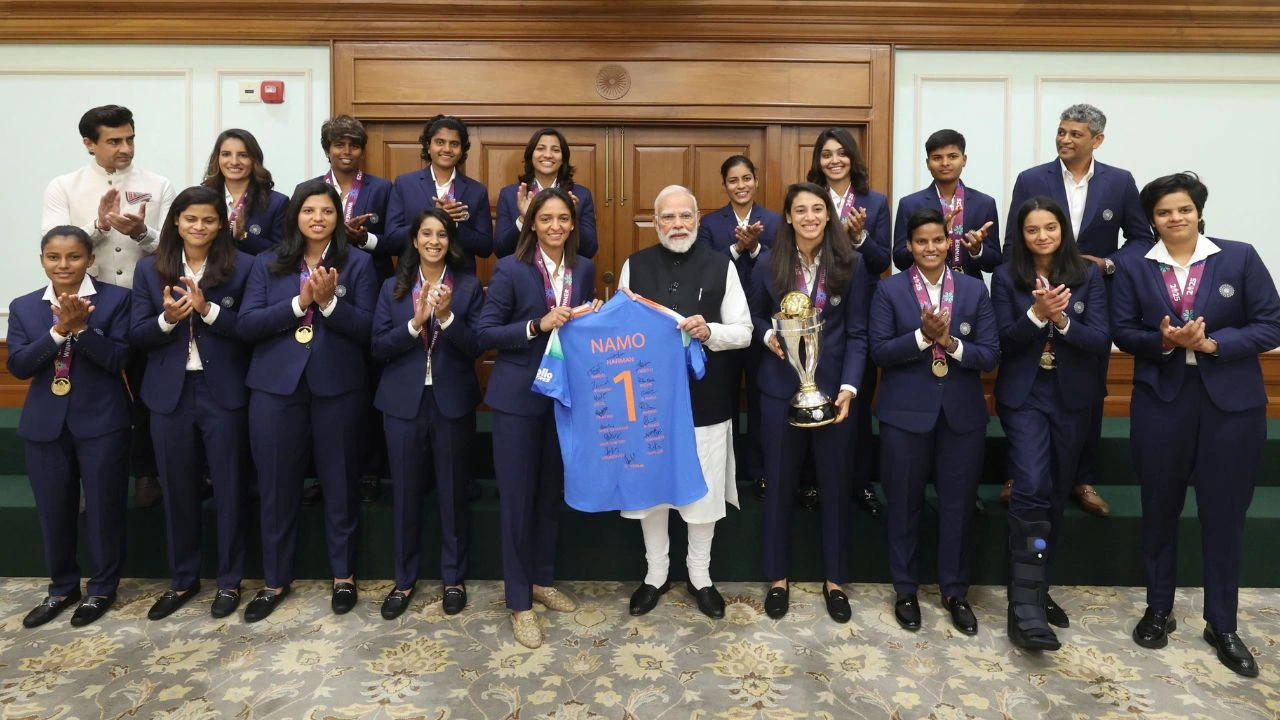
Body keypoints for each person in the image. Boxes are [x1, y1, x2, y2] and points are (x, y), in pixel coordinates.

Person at [1113, 172, 1280, 678]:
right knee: (1159, 508)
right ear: (1152, 220)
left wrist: (1212, 345)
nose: (1175, 218)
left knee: (1224, 515)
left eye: (1183, 208)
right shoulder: (1134, 267)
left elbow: (1271, 322)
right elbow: (1122, 329)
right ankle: (1157, 609)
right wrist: (1165, 340)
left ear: (1198, 211)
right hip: (1163, 402)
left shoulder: (1239, 256)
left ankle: (1222, 623)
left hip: (1232, 407)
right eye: (1164, 212)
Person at [237, 181, 377, 622]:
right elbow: (248, 325)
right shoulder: (267, 265)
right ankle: (275, 580)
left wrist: (331, 304)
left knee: (340, 483)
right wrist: (301, 302)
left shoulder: (358, 264)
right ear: (294, 216)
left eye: (327, 211)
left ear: (338, 218)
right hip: (276, 390)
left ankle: (343, 576)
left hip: (338, 388)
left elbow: (371, 329)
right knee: (277, 487)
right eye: (309, 210)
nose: (318, 218)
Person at [1005, 104, 1155, 516]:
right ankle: (1020, 474)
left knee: (1087, 387)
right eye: (1061, 132)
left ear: (1097, 140)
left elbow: (1142, 240)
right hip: (1033, 290)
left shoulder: (1120, 182)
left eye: (1075, 134)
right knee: (1024, 381)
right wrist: (1021, 289)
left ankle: (1080, 478)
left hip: (1093, 295)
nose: (1065, 139)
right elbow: (1011, 243)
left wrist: (1107, 265)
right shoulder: (1032, 179)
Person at [618, 185, 751, 619]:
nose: (677, 225)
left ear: (698, 219)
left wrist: (710, 331)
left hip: (706, 400)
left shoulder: (721, 265)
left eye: (685, 217)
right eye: (668, 218)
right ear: (655, 223)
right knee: (652, 491)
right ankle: (656, 574)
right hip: (649, 403)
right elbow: (618, 333)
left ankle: (700, 576)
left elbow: (745, 331)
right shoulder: (634, 267)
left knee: (703, 491)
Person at [869, 207, 999, 636]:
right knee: (903, 504)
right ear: (909, 246)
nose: (930, 248)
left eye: (937, 240)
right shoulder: (890, 291)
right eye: (921, 241)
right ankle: (905, 588)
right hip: (905, 416)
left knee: (958, 507)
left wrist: (951, 343)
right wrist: (925, 338)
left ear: (950, 243)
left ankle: (954, 591)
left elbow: (990, 355)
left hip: (961, 417)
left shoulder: (973, 290)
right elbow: (880, 352)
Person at [475, 187, 595, 648]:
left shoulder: (582, 269)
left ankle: (542, 580)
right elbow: (485, 331)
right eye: (547, 219)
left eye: (564, 219)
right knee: (517, 500)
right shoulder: (510, 268)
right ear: (532, 224)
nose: (556, 227)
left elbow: (576, 331)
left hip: (563, 398)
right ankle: (519, 601)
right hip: (517, 398)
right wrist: (535, 325)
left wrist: (588, 317)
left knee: (549, 494)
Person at [747, 181, 871, 623]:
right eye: (801, 210)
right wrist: (767, 335)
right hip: (780, 389)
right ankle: (777, 577)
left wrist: (850, 388)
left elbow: (858, 333)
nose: (810, 217)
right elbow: (753, 315)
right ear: (788, 217)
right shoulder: (767, 263)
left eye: (818, 209)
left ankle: (835, 579)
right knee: (779, 483)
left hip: (833, 392)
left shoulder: (851, 265)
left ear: (828, 216)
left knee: (836, 485)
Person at [41, 104, 175, 509]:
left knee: (147, 393)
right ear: (89, 143)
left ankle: (147, 475)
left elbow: (172, 247)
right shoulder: (63, 187)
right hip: (86, 306)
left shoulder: (159, 183)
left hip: (144, 305)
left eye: (130, 138)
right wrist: (97, 228)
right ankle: (83, 480)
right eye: (114, 140)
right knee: (90, 393)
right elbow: (53, 244)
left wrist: (144, 233)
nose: (126, 148)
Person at [130, 186, 254, 620]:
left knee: (229, 487)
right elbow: (137, 334)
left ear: (221, 224)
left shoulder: (244, 268)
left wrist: (208, 311)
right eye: (190, 219)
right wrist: (168, 318)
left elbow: (251, 330)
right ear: (176, 223)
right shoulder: (150, 271)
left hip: (224, 392)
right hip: (169, 394)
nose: (198, 227)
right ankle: (183, 580)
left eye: (207, 220)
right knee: (177, 488)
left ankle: (229, 580)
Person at [992, 196, 1110, 650]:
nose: (1042, 236)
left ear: (1062, 231)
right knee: (1032, 482)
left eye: (1050, 228)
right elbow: (1001, 340)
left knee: (1057, 492)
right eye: (1032, 229)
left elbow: (1100, 339)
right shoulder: (1005, 277)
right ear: (1021, 235)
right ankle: (1023, 604)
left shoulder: (1088, 275)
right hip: (1025, 396)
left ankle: (1038, 587)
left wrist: (1061, 321)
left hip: (1072, 397)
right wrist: (1035, 315)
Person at [10, 226, 131, 627]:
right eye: (54, 257)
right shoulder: (26, 307)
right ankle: (62, 587)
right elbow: (20, 366)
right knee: (54, 511)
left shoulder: (116, 301)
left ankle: (101, 589)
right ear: (42, 259)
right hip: (45, 426)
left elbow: (117, 360)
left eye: (74, 257)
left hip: (101, 421)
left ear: (90, 260)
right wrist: (58, 330)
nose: (64, 265)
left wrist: (81, 329)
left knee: (103, 508)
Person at [372, 208, 484, 619]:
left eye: (441, 234)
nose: (434, 241)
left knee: (454, 494)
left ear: (450, 243)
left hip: (451, 402)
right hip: (402, 405)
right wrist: (415, 322)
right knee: (404, 494)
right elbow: (378, 346)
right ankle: (404, 581)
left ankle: (453, 578)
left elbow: (477, 347)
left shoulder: (469, 287)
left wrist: (447, 317)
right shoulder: (392, 289)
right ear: (415, 241)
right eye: (426, 234)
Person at [302, 115, 395, 505]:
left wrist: (366, 238)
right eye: (339, 144)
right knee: (324, 393)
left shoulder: (382, 189)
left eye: (354, 145)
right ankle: (325, 475)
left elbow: (397, 240)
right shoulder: (309, 190)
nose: (346, 151)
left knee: (367, 384)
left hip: (366, 289)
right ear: (327, 148)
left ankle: (370, 470)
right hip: (316, 298)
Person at [807, 127, 888, 516]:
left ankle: (860, 482)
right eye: (826, 154)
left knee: (854, 397)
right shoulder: (809, 199)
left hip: (858, 315)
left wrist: (859, 239)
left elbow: (881, 262)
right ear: (818, 161)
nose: (834, 160)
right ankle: (811, 481)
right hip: (811, 315)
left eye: (841, 153)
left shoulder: (875, 201)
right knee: (810, 393)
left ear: (853, 158)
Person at [695, 155, 780, 498]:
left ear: (756, 180)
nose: (741, 186)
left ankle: (759, 472)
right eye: (733, 180)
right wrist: (735, 248)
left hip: (762, 326)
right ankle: (724, 473)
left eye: (746, 178)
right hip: (722, 327)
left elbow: (783, 264)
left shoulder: (774, 221)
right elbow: (703, 266)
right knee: (723, 400)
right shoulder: (711, 224)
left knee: (761, 401)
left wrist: (757, 247)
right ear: (724, 185)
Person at [386, 114, 493, 270]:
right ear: (428, 146)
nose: (447, 149)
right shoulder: (404, 184)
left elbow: (486, 248)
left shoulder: (477, 191)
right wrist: (432, 220)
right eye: (440, 142)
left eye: (454, 144)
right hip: (412, 278)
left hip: (460, 281)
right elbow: (391, 241)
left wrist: (453, 225)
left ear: (462, 150)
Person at [892, 129, 1001, 276]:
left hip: (968, 291)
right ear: (928, 163)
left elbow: (995, 263)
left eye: (952, 156)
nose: (945, 163)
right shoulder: (910, 204)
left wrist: (977, 250)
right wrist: (933, 234)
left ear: (964, 160)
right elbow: (899, 260)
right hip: (921, 290)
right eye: (937, 158)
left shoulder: (984, 203)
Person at [495, 127, 597, 258]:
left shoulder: (581, 195)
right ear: (531, 155)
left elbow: (589, 251)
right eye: (540, 148)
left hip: (565, 273)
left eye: (555, 150)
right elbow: (500, 250)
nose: (548, 155)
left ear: (563, 158)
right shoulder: (510, 195)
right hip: (522, 274)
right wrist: (523, 219)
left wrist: (572, 216)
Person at [201, 128, 290, 256]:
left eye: (243, 155)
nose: (234, 162)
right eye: (226, 154)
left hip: (252, 275)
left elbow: (282, 253)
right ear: (217, 158)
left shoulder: (277, 203)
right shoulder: (202, 198)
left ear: (254, 160)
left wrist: (243, 236)